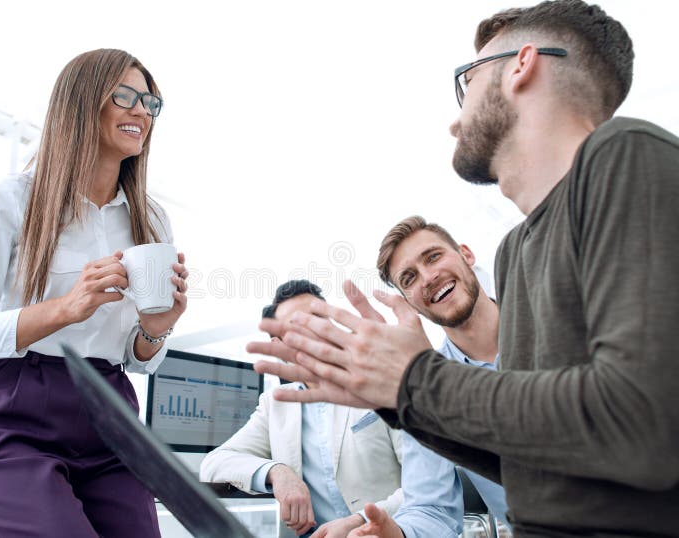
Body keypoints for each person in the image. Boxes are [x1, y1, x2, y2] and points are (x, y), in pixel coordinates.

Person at [248, 1, 679, 535]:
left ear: (521, 65)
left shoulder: (624, 155)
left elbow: (642, 423)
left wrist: (414, 380)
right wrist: (399, 402)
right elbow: (535, 465)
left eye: (465, 82)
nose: (456, 119)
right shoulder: (518, 250)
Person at [0, 49, 189, 538]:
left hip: (113, 414)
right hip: (17, 412)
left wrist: (155, 330)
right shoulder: (15, 200)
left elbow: (139, 359)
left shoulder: (151, 220)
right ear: (82, 103)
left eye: (150, 102)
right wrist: (64, 309)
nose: (141, 111)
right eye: (125, 96)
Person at [344, 216, 508, 537]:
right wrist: (397, 534)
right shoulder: (422, 390)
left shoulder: (552, 320)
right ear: (409, 302)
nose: (428, 277)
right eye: (409, 278)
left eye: (433, 257)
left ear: (466, 255)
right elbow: (431, 507)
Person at [201, 280, 404, 538]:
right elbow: (215, 463)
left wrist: (358, 522)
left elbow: (425, 487)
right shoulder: (276, 404)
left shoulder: (380, 383)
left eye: (318, 319)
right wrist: (278, 472)